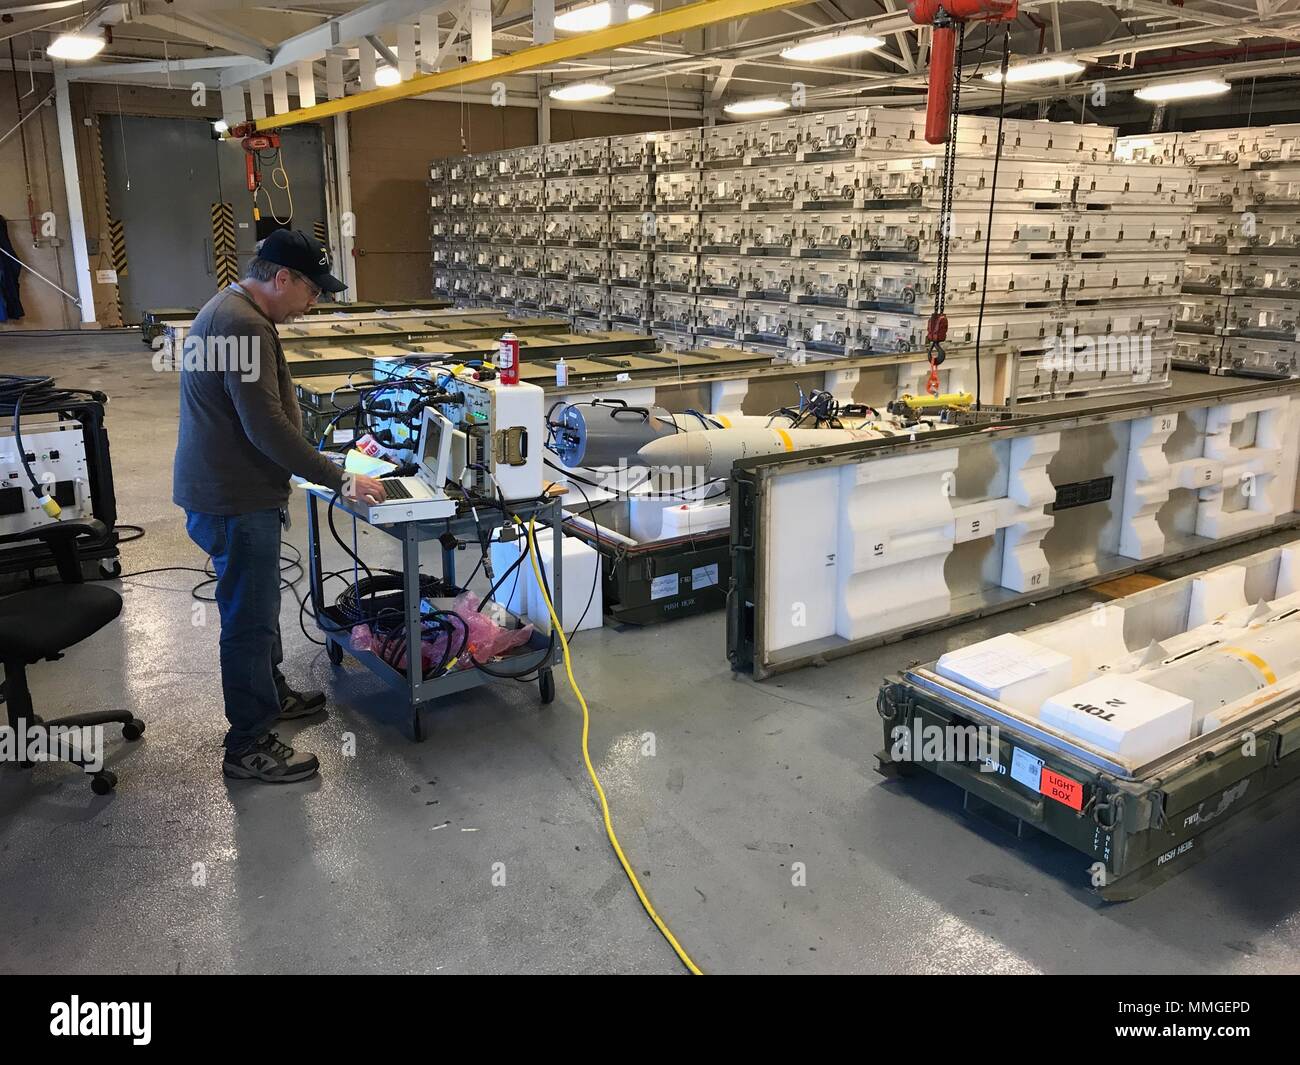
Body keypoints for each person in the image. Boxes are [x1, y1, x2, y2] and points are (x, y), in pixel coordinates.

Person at [173, 229, 386, 783]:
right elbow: (264, 425)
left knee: (259, 608)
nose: (313, 304)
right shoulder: (241, 323)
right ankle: (247, 742)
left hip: (232, 491)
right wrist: (337, 477)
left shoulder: (231, 309)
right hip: (234, 500)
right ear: (282, 277)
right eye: (312, 292)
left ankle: (270, 694)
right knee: (247, 620)